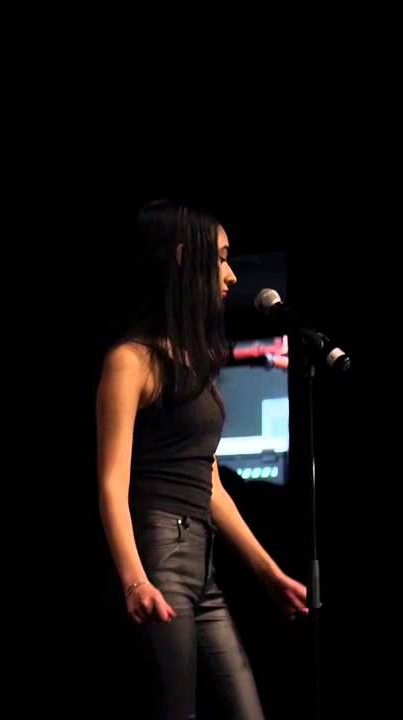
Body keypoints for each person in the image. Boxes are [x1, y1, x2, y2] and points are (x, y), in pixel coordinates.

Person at [95, 199, 309, 719]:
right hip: (160, 554)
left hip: (202, 565)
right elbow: (111, 483)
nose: (231, 275)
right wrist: (134, 579)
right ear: (183, 258)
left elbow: (210, 483)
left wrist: (268, 572)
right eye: (221, 258)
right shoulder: (131, 361)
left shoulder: (196, 360)